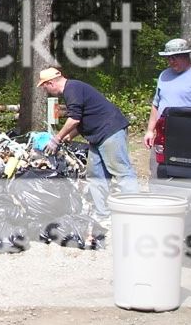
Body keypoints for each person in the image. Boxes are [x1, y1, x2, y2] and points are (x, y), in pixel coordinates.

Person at [37, 67, 138, 221]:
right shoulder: (72, 90)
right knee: (95, 173)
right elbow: (82, 118)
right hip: (97, 136)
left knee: (122, 172)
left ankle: (135, 214)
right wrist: (69, 136)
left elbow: (74, 119)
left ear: (50, 83)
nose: (46, 91)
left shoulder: (72, 88)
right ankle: (102, 213)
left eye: (44, 87)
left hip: (110, 131)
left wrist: (56, 139)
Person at [142, 38, 191, 149]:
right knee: (158, 166)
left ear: (186, 55)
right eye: (168, 57)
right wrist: (150, 130)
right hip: (163, 136)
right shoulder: (164, 75)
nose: (171, 61)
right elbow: (156, 104)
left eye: (175, 57)